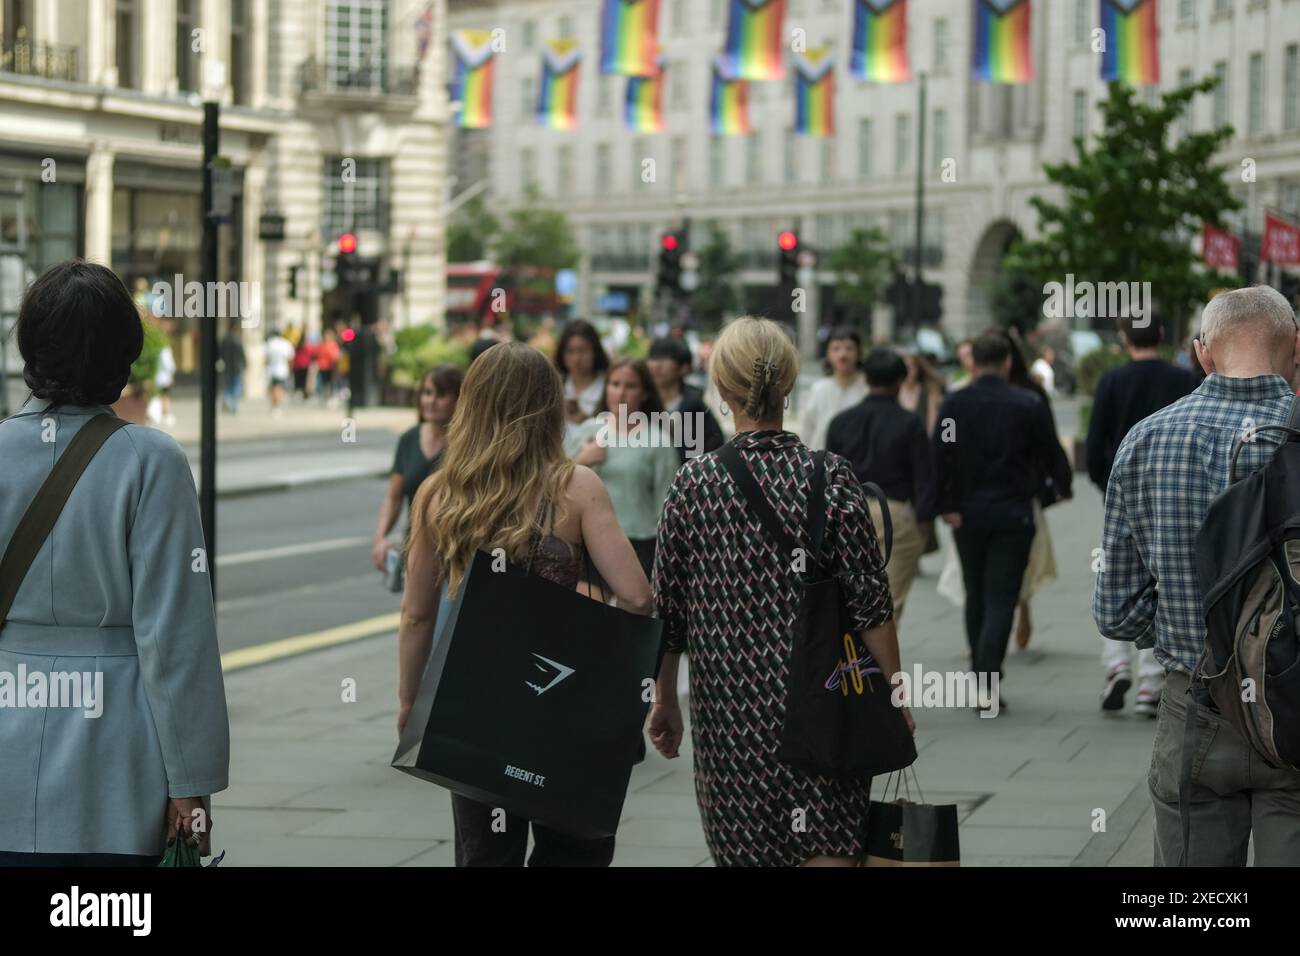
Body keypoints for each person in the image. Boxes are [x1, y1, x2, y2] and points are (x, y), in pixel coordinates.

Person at [648, 317, 910, 866]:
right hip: (826, 704)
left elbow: (668, 611)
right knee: (830, 847)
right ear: (789, 386)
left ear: (720, 389)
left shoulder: (694, 485)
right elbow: (871, 602)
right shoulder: (831, 477)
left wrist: (664, 697)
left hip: (730, 718)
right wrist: (894, 693)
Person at [0, 260, 229, 865]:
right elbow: (177, 636)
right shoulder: (151, 461)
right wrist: (192, 783)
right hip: (114, 757)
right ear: (122, 356)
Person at [398, 342, 653, 867]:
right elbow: (636, 596)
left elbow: (417, 613)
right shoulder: (576, 486)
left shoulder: (438, 493)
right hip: (560, 693)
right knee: (572, 847)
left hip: (472, 697)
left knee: (485, 852)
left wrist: (409, 701)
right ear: (549, 406)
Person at [1094, 285, 1300, 866]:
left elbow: (1117, 611)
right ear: (1298, 346)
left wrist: (1181, 627)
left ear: (1203, 353)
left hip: (1196, 705)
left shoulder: (1146, 440)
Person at [932, 332, 1073, 711]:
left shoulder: (955, 403)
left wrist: (944, 504)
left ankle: (981, 675)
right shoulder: (1026, 403)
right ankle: (987, 676)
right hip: (1013, 511)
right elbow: (1050, 453)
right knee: (1002, 596)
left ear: (973, 363)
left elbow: (940, 455)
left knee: (974, 592)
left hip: (967, 512)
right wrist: (1058, 488)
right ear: (1009, 362)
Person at [1086, 316, 1197, 717]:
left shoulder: (1112, 381)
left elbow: (1096, 439)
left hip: (1123, 493)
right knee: (1164, 579)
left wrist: (1106, 485)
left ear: (1123, 338)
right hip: (1173, 493)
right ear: (1162, 335)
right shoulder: (1183, 379)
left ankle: (1116, 662)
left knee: (1113, 573)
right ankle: (1152, 682)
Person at [826, 348, 936, 620]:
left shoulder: (840, 422)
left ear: (866, 378)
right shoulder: (910, 423)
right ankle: (881, 660)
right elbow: (925, 477)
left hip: (849, 512)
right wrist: (923, 521)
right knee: (889, 603)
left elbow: (828, 476)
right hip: (894, 511)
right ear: (900, 381)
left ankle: (854, 659)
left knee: (849, 599)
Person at [571, 358, 680, 581]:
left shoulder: (658, 441)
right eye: (614, 384)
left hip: (638, 546)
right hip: (586, 544)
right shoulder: (588, 430)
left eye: (630, 386)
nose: (621, 393)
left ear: (645, 393)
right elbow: (553, 485)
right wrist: (582, 459)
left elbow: (668, 509)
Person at [1003, 327, 1070, 650]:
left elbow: (1047, 442)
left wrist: (1061, 480)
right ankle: (995, 623)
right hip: (1004, 493)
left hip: (1021, 491)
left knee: (1025, 559)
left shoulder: (1030, 393)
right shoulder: (965, 392)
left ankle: (1021, 610)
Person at [372, 366, 463, 573]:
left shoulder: (465, 445)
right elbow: (394, 497)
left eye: (441, 395)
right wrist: (380, 538)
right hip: (415, 548)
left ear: (459, 399)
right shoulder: (408, 439)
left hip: (455, 551)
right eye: (427, 393)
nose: (431, 401)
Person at [645, 335, 724, 463]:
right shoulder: (641, 404)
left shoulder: (696, 409)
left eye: (665, 358)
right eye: (653, 358)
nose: (656, 365)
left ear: (684, 368)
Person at [797, 326, 868, 452]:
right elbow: (807, 431)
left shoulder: (868, 388)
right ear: (828, 354)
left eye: (849, 348)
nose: (843, 354)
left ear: (859, 352)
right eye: (836, 348)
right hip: (822, 461)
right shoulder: (818, 389)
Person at [554, 319, 609, 441]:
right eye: (570, 351)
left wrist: (586, 420)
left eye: (583, 350)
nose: (576, 359)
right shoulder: (555, 386)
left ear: (595, 351)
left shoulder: (609, 387)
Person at [899, 351, 946, 434]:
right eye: (903, 368)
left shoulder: (928, 392)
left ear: (918, 369)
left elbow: (932, 427)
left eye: (910, 367)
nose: (907, 372)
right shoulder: (893, 394)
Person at [265, 327, 295, 417]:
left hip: (271, 369)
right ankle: (277, 405)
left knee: (273, 388)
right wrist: (290, 369)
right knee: (280, 388)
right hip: (282, 369)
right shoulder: (285, 343)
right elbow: (290, 358)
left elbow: (266, 358)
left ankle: (274, 405)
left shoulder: (269, 343)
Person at [219, 321, 246, 414]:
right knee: (236, 386)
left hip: (227, 366)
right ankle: (234, 406)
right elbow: (242, 355)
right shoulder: (237, 340)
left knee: (228, 386)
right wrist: (244, 365)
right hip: (236, 367)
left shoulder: (224, 340)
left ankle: (227, 401)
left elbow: (220, 353)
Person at [316, 329, 341, 406]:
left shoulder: (333, 345)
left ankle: (331, 398)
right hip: (323, 367)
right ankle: (325, 398)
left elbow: (336, 356)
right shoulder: (322, 345)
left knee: (331, 383)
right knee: (324, 383)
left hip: (331, 367)